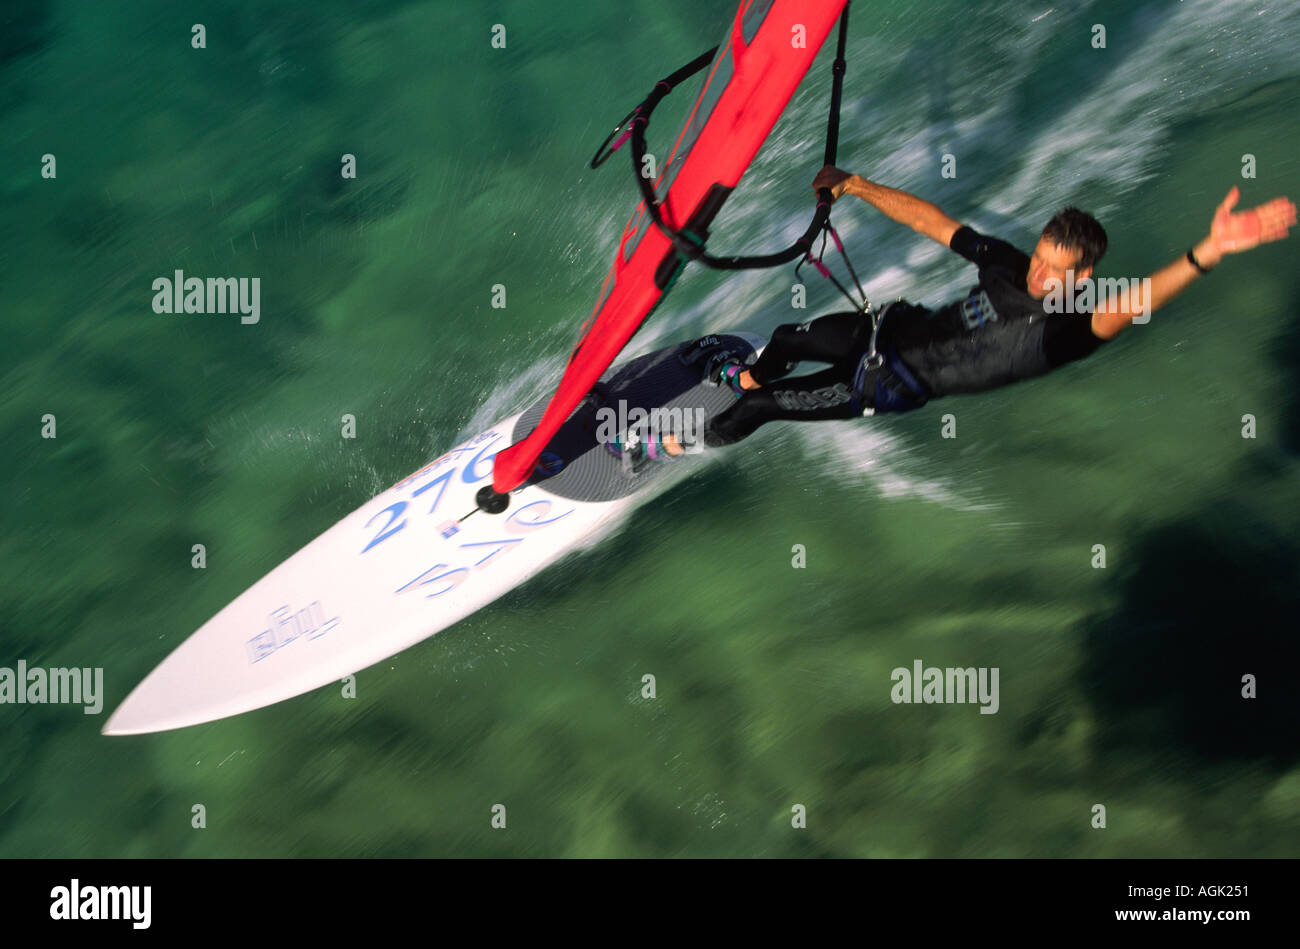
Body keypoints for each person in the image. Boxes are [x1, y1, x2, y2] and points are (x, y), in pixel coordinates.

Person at [642, 167, 1293, 458]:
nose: (1038, 274)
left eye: (1053, 271)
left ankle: (671, 441)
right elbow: (936, 223)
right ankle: (747, 374)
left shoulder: (1068, 330)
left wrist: (1207, 251)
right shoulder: (1013, 265)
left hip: (882, 383)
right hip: (885, 328)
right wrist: (858, 186)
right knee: (784, 337)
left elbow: (1136, 302)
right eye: (1039, 257)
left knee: (764, 410)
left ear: (1083, 279)